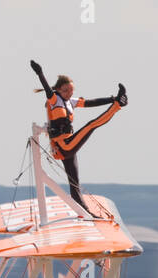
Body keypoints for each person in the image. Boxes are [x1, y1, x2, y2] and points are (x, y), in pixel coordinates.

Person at [30, 59, 127, 215]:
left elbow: (90, 102)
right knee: (91, 125)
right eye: (66, 91)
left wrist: (112, 98)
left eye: (71, 90)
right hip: (64, 145)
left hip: (69, 145)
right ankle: (117, 107)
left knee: (74, 182)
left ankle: (84, 212)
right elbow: (48, 90)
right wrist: (40, 73)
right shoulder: (55, 100)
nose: (69, 93)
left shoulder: (71, 102)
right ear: (59, 90)